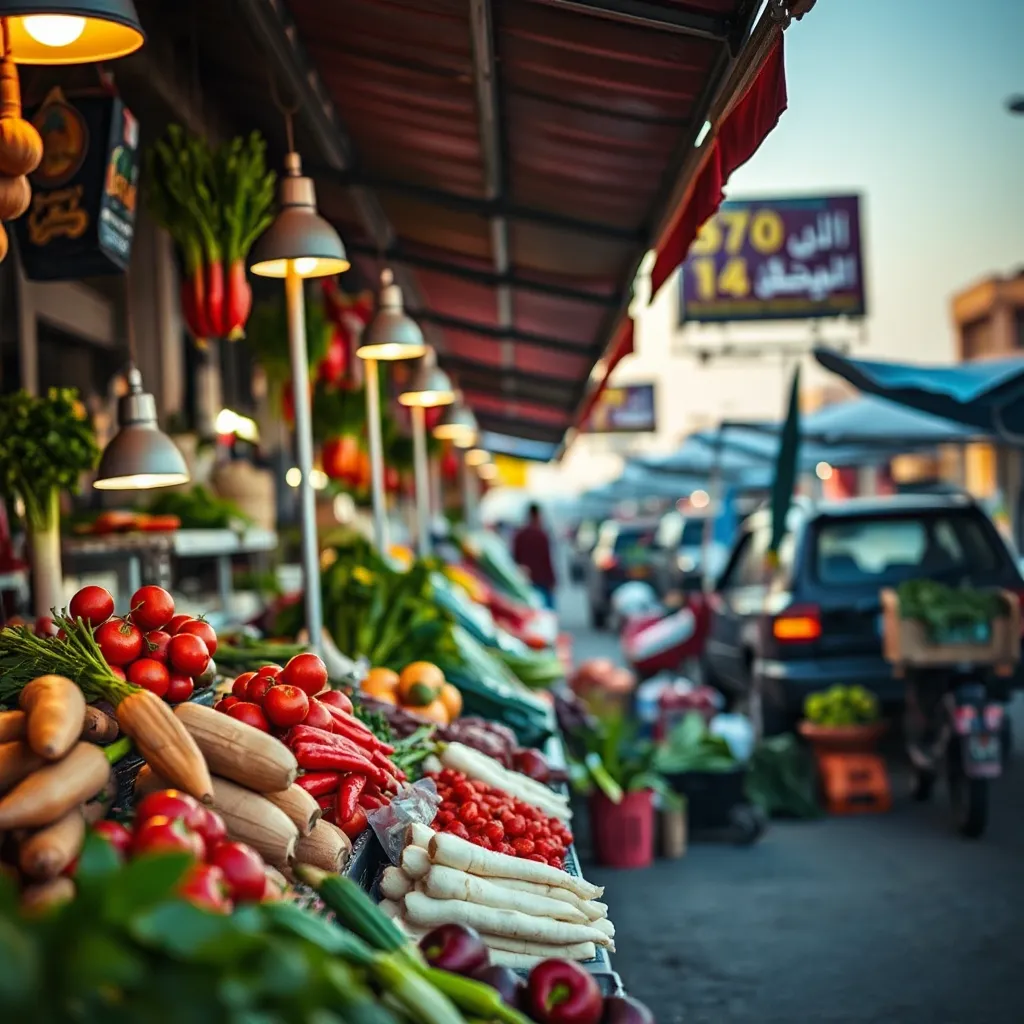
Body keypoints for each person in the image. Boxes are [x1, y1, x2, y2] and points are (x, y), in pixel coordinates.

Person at [513, 503, 557, 610]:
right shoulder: (541, 535)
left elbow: (515, 557)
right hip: (541, 579)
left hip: (526, 579)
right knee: (546, 611)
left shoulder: (520, 535)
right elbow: (547, 559)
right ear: (537, 516)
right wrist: (552, 580)